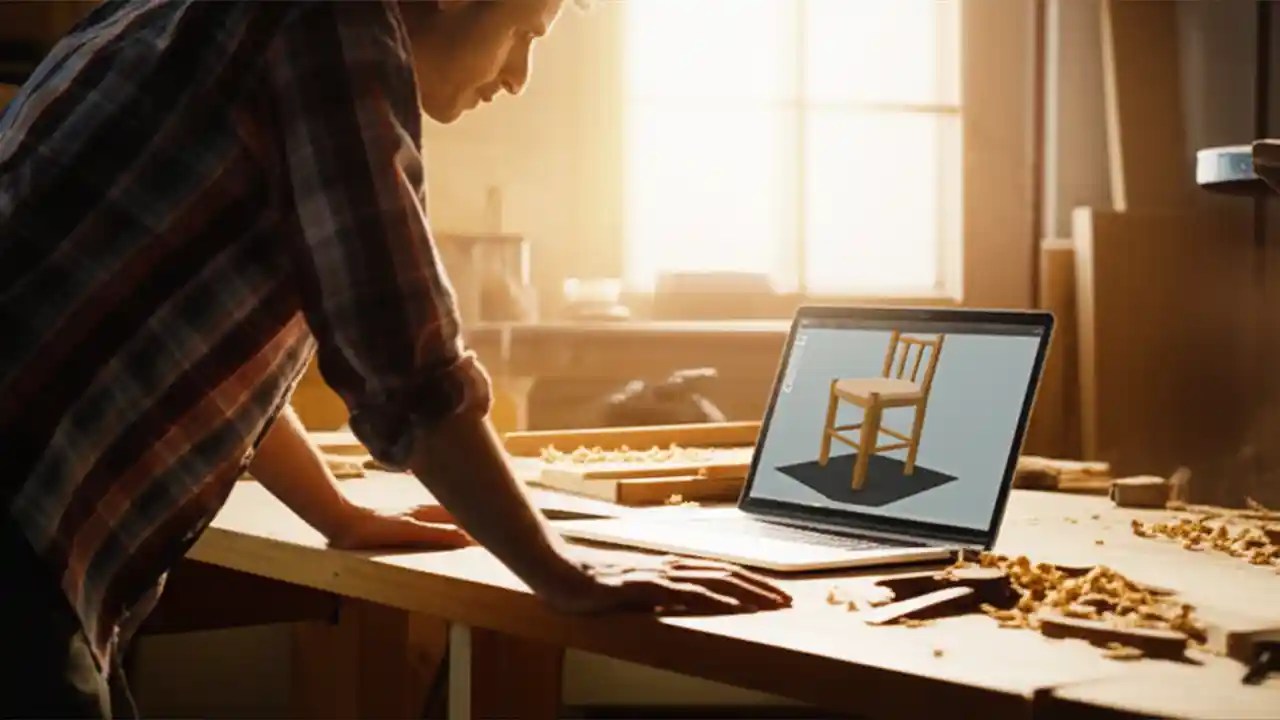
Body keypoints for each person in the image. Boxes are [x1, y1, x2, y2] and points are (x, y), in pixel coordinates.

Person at [0, 0, 792, 716]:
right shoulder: (330, 23)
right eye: (523, 34)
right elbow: (402, 355)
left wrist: (337, 515)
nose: (518, 77)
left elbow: (186, 345)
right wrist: (561, 572)